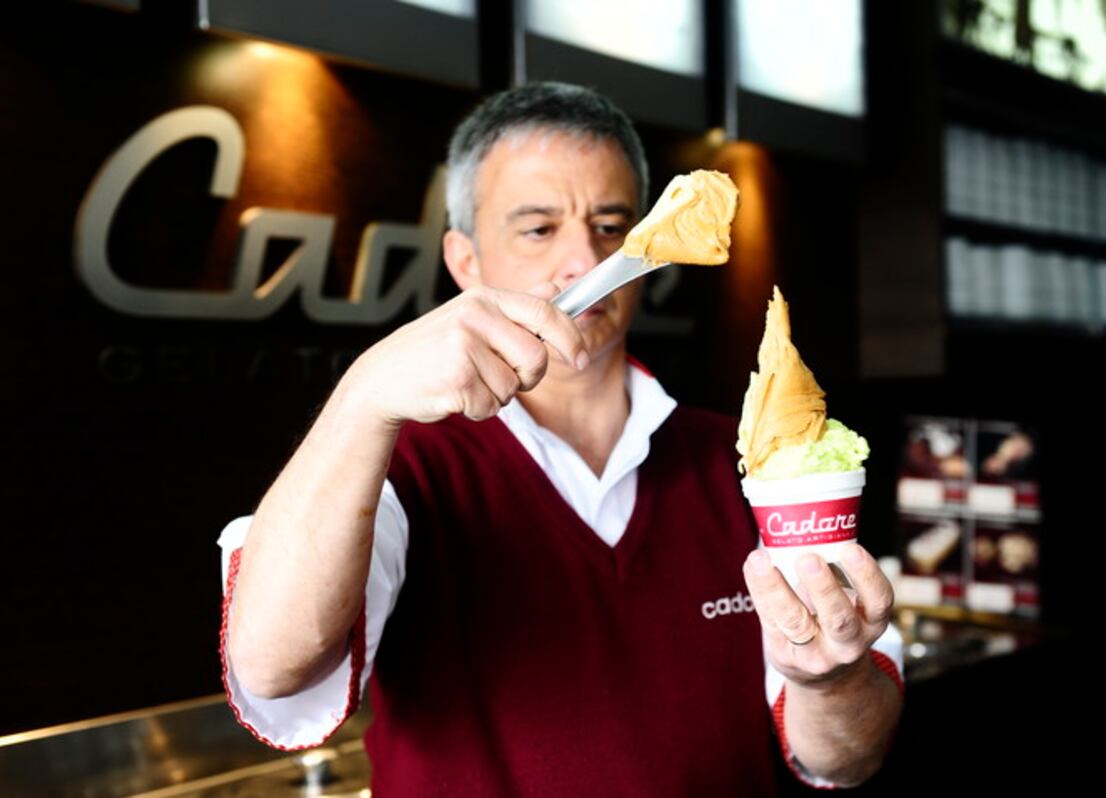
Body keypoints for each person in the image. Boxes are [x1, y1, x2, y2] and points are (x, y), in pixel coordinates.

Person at [218, 82, 904, 795]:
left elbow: (847, 759)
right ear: (465, 261)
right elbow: (272, 666)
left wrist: (829, 680)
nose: (584, 260)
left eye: (611, 226)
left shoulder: (752, 463)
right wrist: (362, 397)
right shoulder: (400, 466)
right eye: (539, 229)